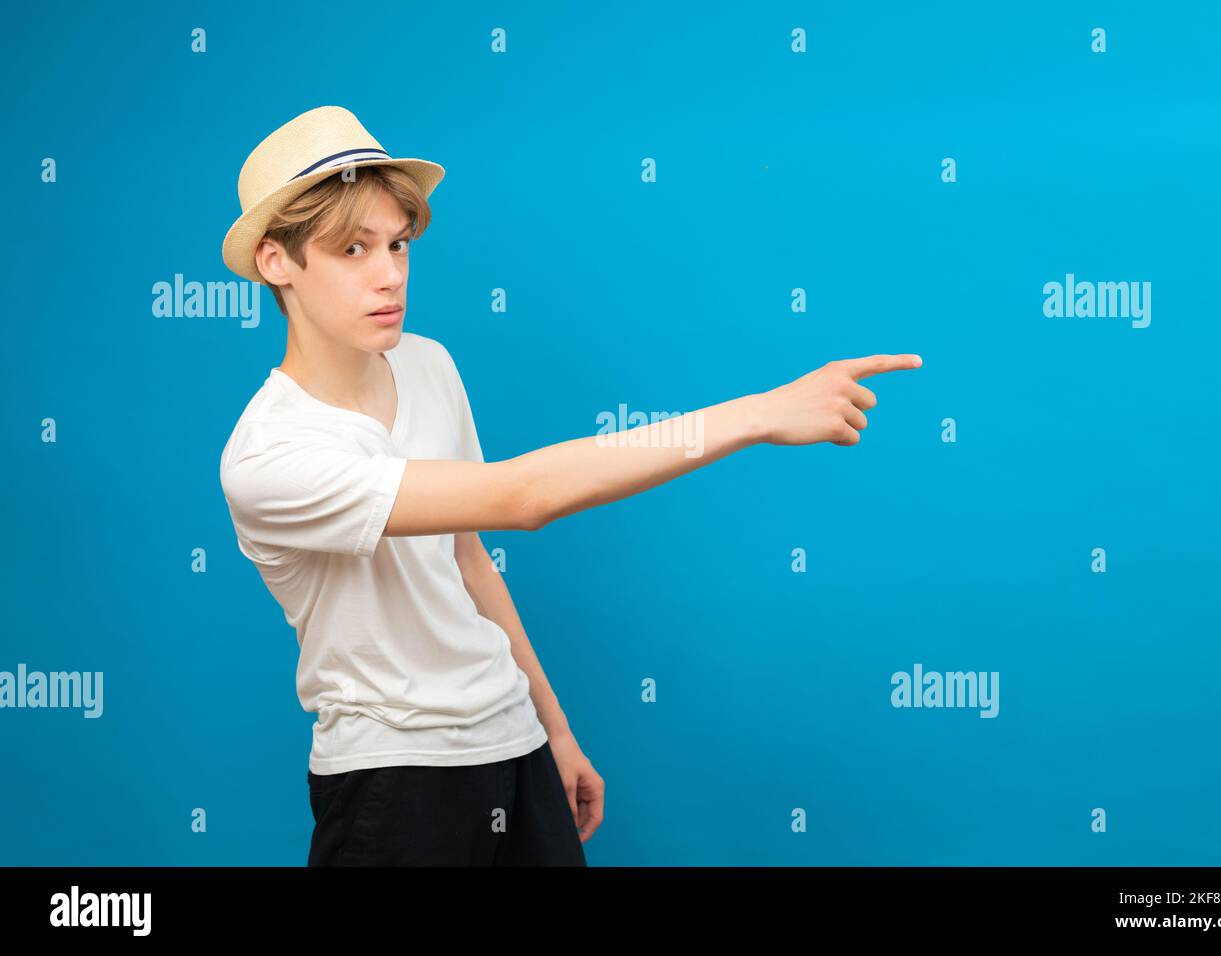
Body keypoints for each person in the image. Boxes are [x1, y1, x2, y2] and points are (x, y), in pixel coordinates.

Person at [217, 106, 923, 867]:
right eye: (352, 249)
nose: (390, 274)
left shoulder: (426, 363)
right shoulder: (271, 459)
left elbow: (469, 561)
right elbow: (520, 498)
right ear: (276, 261)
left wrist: (551, 730)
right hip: (394, 783)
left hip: (511, 742)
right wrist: (756, 414)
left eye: (398, 244)